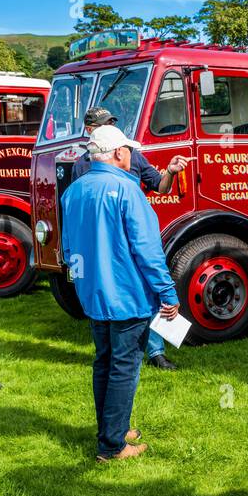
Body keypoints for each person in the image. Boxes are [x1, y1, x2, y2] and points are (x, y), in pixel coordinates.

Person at [60, 125, 179, 462]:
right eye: (128, 149)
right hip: (127, 294)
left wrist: (83, 284)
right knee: (124, 366)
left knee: (105, 361)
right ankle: (112, 444)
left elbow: (69, 248)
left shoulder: (74, 190)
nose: (131, 154)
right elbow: (147, 249)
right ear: (117, 153)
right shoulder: (127, 190)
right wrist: (168, 291)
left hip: (93, 294)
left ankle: (113, 428)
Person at [72, 106, 193, 371]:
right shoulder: (83, 165)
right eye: (103, 124)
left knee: (143, 289)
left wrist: (170, 172)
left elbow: (159, 186)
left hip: (129, 239)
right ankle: (118, 354)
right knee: (120, 308)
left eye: (112, 122)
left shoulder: (132, 155)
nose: (110, 127)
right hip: (104, 246)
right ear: (90, 130)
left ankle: (156, 351)